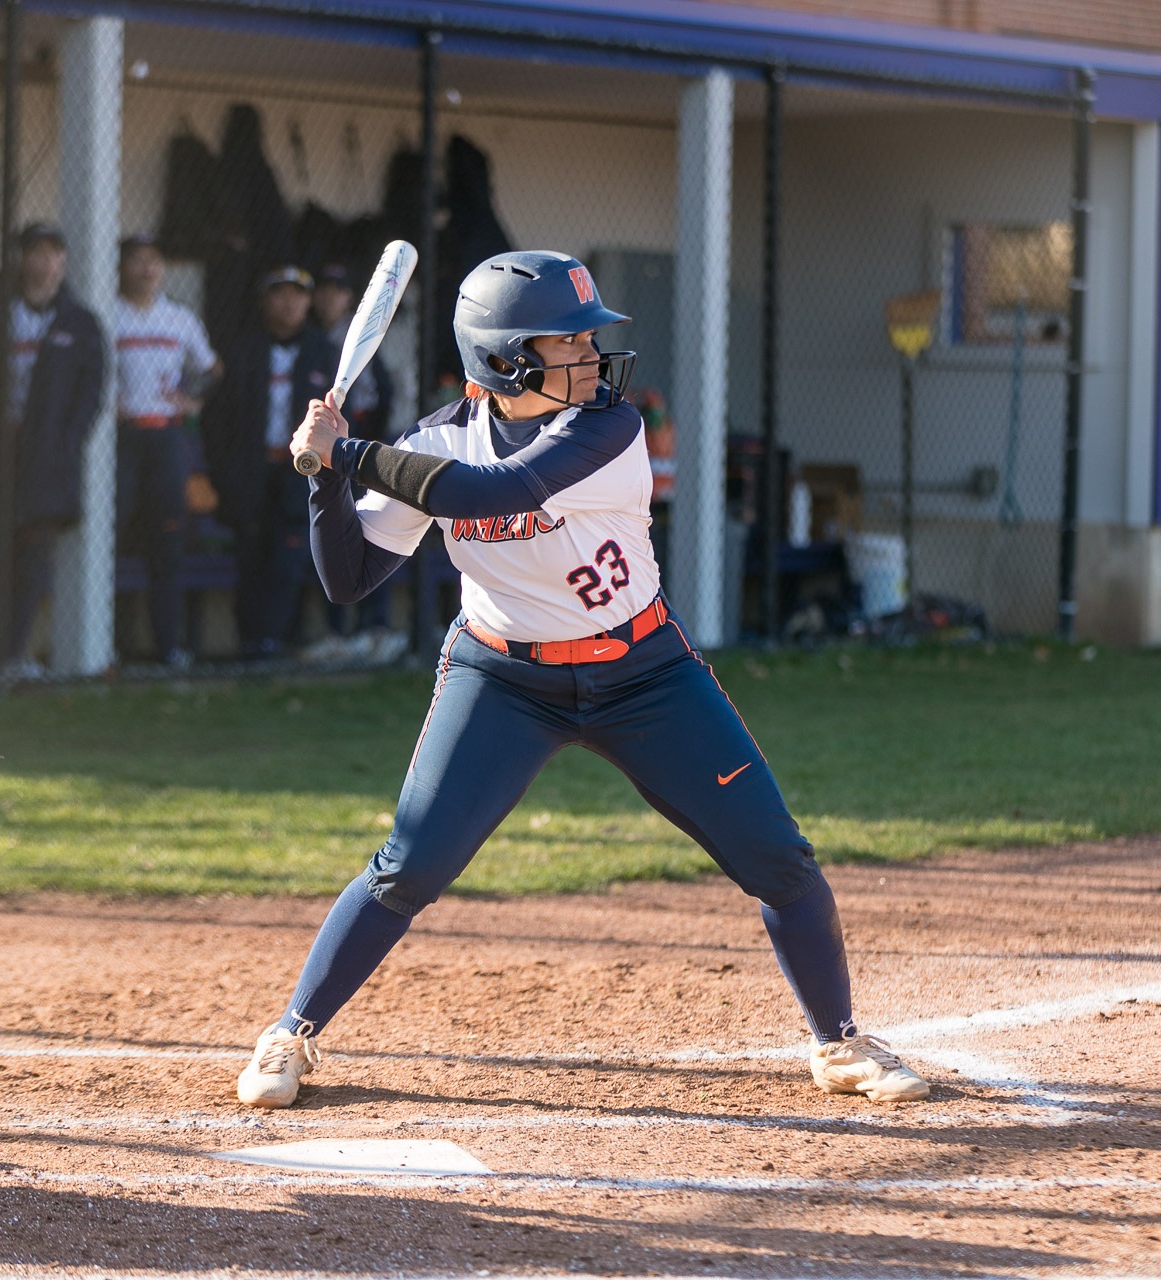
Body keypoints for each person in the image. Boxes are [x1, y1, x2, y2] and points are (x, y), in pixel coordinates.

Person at [236, 251, 931, 1109]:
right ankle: (291, 1031)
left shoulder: (609, 428)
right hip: (502, 678)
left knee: (779, 861)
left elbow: (498, 491)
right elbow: (348, 578)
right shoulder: (433, 442)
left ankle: (839, 1041)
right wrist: (321, 481)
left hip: (644, 673)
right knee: (407, 867)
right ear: (502, 360)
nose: (591, 359)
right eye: (567, 344)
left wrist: (351, 455)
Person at [0, 221, 107, 680]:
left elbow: (92, 391)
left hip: (45, 457)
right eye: (35, 253)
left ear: (63, 263)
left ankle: (14, 655)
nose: (44, 263)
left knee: (31, 555)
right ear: (22, 260)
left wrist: (66, 440)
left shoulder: (80, 324)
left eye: (53, 254)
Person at [200, 266, 334, 658]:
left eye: (298, 294)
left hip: (300, 473)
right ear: (263, 301)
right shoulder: (242, 351)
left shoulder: (323, 353)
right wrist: (225, 470)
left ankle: (278, 643)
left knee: (288, 558)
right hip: (251, 473)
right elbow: (218, 419)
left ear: (308, 302)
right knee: (251, 557)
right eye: (279, 294)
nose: (289, 302)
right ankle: (250, 643)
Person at [111, 232, 217, 670]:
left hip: (167, 438)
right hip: (121, 441)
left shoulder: (178, 318)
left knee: (167, 541)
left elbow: (211, 369)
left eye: (154, 260)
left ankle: (167, 647)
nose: (147, 269)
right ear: (122, 267)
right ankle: (109, 645)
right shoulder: (110, 314)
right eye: (137, 260)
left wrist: (192, 401)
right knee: (113, 540)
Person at [303, 263, 404, 665]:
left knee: (370, 534)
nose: (330, 298)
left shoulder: (366, 338)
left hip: (359, 443)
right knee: (330, 535)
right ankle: (335, 633)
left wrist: (367, 444)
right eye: (324, 290)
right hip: (321, 445)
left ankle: (374, 628)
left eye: (338, 291)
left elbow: (386, 394)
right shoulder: (312, 342)